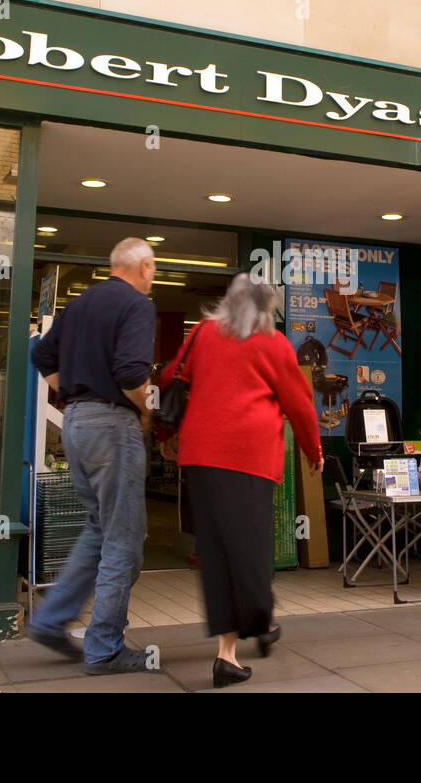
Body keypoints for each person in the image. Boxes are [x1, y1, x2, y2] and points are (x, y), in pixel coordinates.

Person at [157, 274, 324, 688]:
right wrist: (313, 451)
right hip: (248, 458)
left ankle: (248, 633)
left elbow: (169, 379)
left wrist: (164, 437)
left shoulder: (203, 334)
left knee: (217, 552)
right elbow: (300, 404)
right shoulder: (273, 343)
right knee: (248, 550)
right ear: (267, 309)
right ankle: (240, 639)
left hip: (201, 458)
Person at [26, 237, 157, 674]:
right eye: (153, 268)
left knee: (100, 529)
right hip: (111, 426)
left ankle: (49, 618)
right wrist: (145, 410)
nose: (152, 276)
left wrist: (73, 396)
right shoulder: (137, 305)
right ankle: (104, 648)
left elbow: (41, 355)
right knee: (125, 540)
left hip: (76, 424)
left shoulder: (79, 304)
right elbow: (130, 374)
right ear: (142, 266)